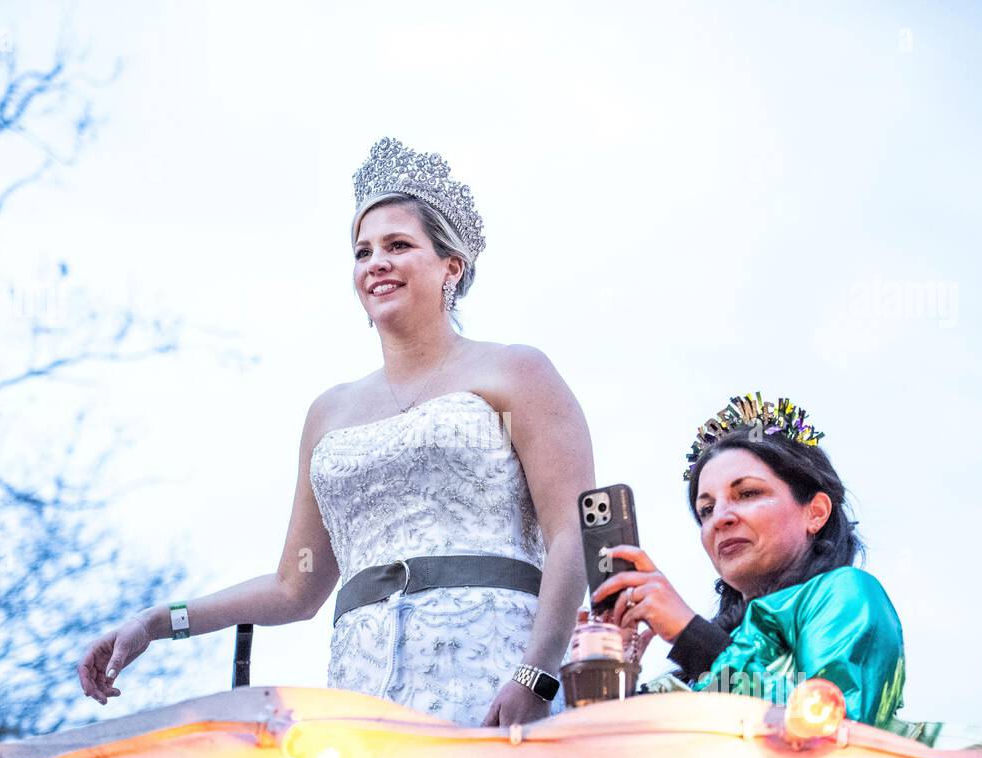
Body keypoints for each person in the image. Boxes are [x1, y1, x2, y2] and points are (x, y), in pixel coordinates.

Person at [77, 137, 595, 727]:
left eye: (399, 245)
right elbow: (294, 586)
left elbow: (573, 533)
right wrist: (159, 620)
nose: (377, 262)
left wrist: (536, 673)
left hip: (494, 674)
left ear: (453, 265)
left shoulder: (516, 372)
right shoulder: (331, 412)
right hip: (361, 688)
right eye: (363, 251)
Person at [589, 393, 910, 731]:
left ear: (815, 512)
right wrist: (611, 671)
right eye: (706, 510)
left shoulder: (845, 592)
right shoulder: (710, 652)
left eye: (748, 494)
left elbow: (836, 728)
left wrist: (691, 637)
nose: (720, 519)